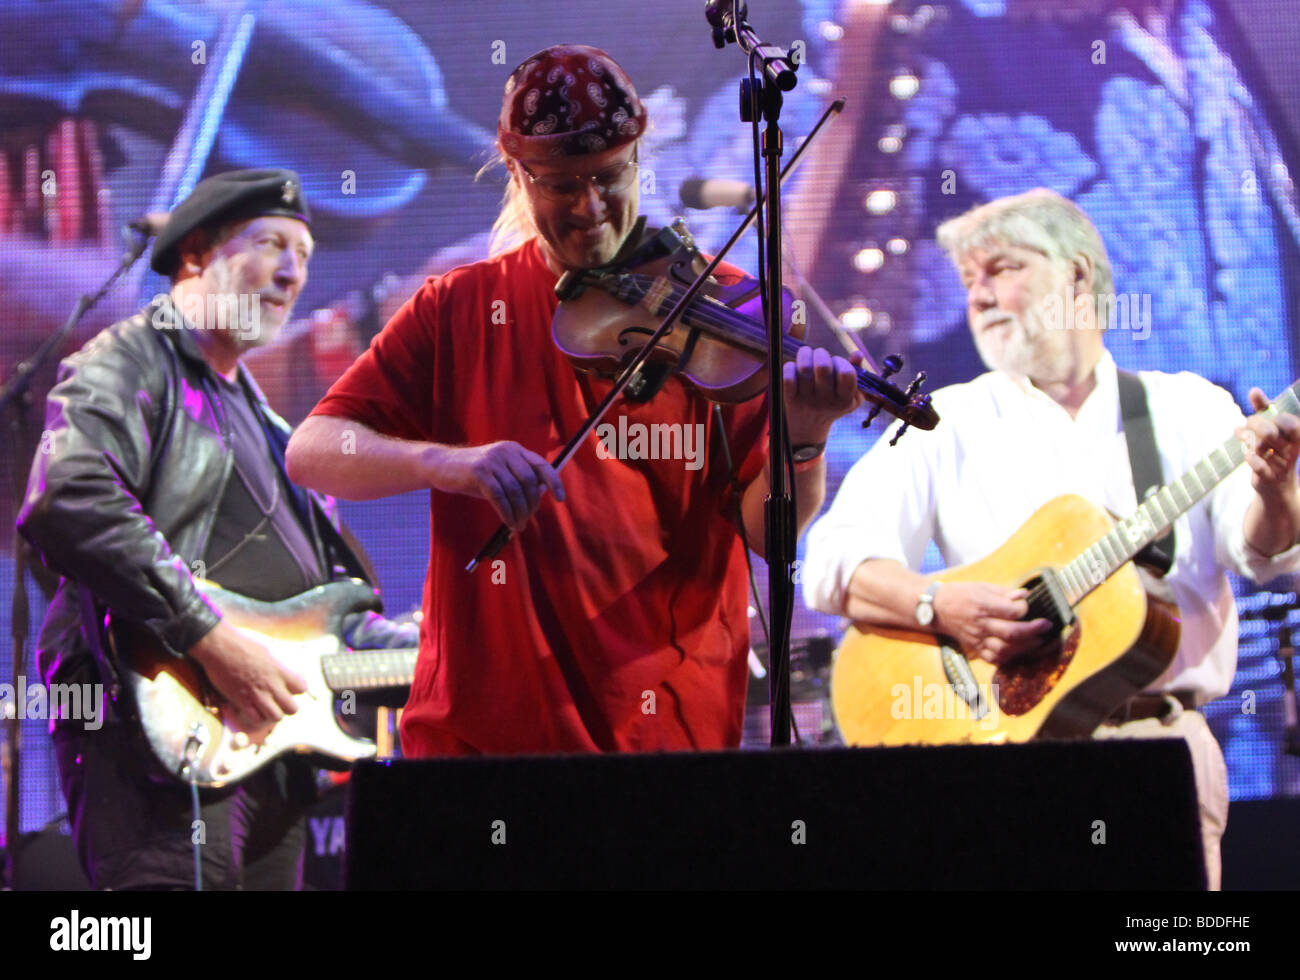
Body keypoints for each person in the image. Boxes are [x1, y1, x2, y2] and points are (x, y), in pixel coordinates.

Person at [285, 44, 863, 756]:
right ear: (518, 175)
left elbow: (764, 533)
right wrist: (448, 465)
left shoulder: (722, 307)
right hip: (481, 734)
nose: (590, 209)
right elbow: (313, 452)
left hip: (665, 730)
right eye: (560, 186)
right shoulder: (460, 305)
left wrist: (803, 445)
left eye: (609, 177)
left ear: (639, 160)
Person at [801, 187, 1300, 890]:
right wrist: (936, 608)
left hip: (1157, 752)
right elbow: (829, 562)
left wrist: (1276, 489)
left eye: (1001, 268)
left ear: (1077, 274)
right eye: (969, 281)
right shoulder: (946, 419)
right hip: (998, 765)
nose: (978, 296)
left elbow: (1265, 557)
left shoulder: (1188, 407)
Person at [18, 168, 411, 890]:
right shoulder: (130, 358)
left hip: (269, 758)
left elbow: (327, 611)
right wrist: (211, 637)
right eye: (272, 244)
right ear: (195, 255)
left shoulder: (270, 426)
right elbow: (69, 497)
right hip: (157, 746)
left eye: (306, 255)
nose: (293, 272)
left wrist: (441, 642)